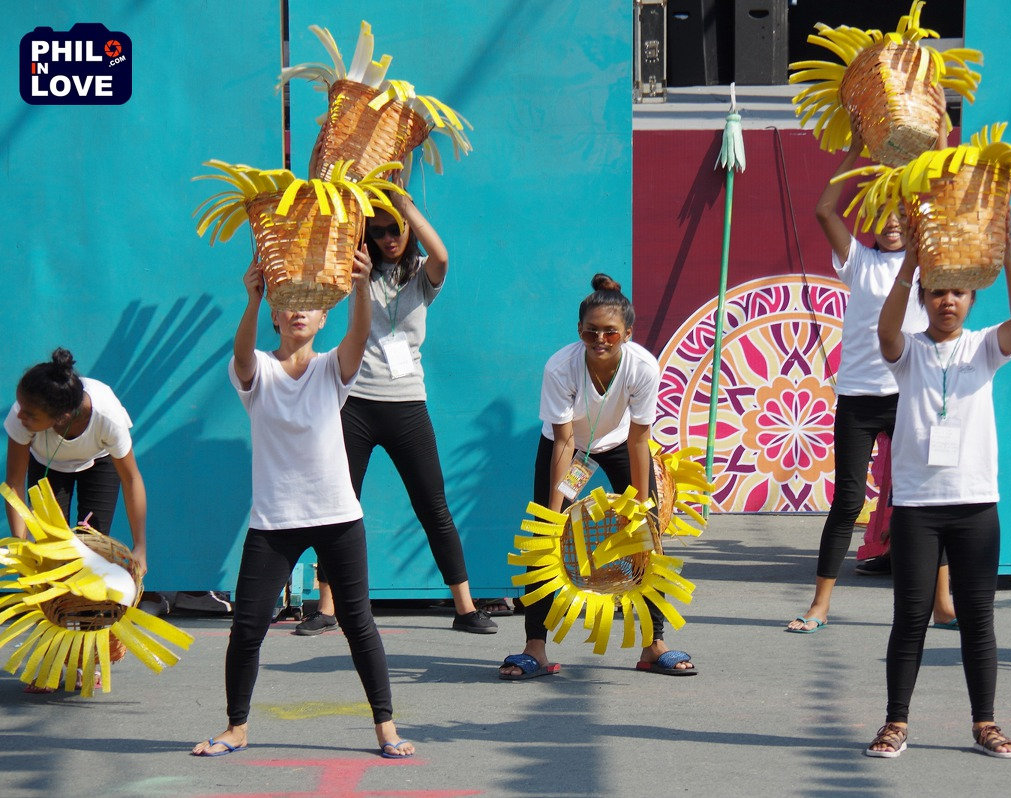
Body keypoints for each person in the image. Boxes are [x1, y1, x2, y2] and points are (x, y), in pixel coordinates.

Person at [193, 252, 412, 758]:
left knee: (359, 624)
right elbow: (243, 355)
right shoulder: (256, 371)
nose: (297, 313)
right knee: (247, 626)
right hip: (274, 522)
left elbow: (359, 338)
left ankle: (386, 728)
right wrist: (251, 299)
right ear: (274, 314)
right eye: (286, 305)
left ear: (322, 317)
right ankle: (236, 727)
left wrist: (360, 288)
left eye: (308, 307)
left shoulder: (333, 369)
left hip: (338, 517)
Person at [865, 219, 1011, 759]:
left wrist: (1005, 256)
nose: (947, 302)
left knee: (977, 619)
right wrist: (911, 263)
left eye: (958, 292)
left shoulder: (984, 348)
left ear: (972, 298)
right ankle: (895, 723)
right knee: (909, 619)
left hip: (976, 505)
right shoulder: (909, 351)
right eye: (937, 293)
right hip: (916, 507)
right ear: (924, 297)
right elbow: (884, 333)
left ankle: (985, 724)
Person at [296, 192, 496, 637]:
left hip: (406, 403)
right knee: (338, 505)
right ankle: (326, 609)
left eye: (395, 231)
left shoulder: (423, 275)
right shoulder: (354, 270)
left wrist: (403, 207)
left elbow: (442, 254)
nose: (387, 238)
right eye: (379, 231)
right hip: (354, 403)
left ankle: (464, 608)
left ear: (407, 230)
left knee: (433, 504)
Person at [787, 131, 956, 634]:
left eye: (900, 217)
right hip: (859, 398)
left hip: (910, 395)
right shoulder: (856, 261)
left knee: (927, 496)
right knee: (848, 499)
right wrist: (855, 148)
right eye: (881, 217)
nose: (890, 225)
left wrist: (929, 166)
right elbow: (823, 210)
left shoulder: (925, 266)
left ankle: (943, 604)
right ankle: (819, 605)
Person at [498, 274, 696, 679]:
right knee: (543, 540)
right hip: (571, 451)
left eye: (610, 332)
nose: (600, 339)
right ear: (579, 331)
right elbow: (564, 442)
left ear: (627, 332)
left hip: (623, 445)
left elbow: (641, 440)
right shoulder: (561, 367)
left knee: (649, 536)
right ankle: (535, 648)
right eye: (592, 331)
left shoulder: (643, 367)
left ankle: (653, 645)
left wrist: (640, 505)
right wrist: (554, 518)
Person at [4, 347, 150, 693]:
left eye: (29, 413)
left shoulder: (107, 416)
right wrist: (23, 546)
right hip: (47, 465)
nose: (19, 416)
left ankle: (86, 661)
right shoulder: (22, 417)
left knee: (93, 566)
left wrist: (141, 546)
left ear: (61, 416)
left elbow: (131, 479)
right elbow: (14, 484)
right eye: (20, 406)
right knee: (51, 562)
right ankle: (51, 660)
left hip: (98, 466)